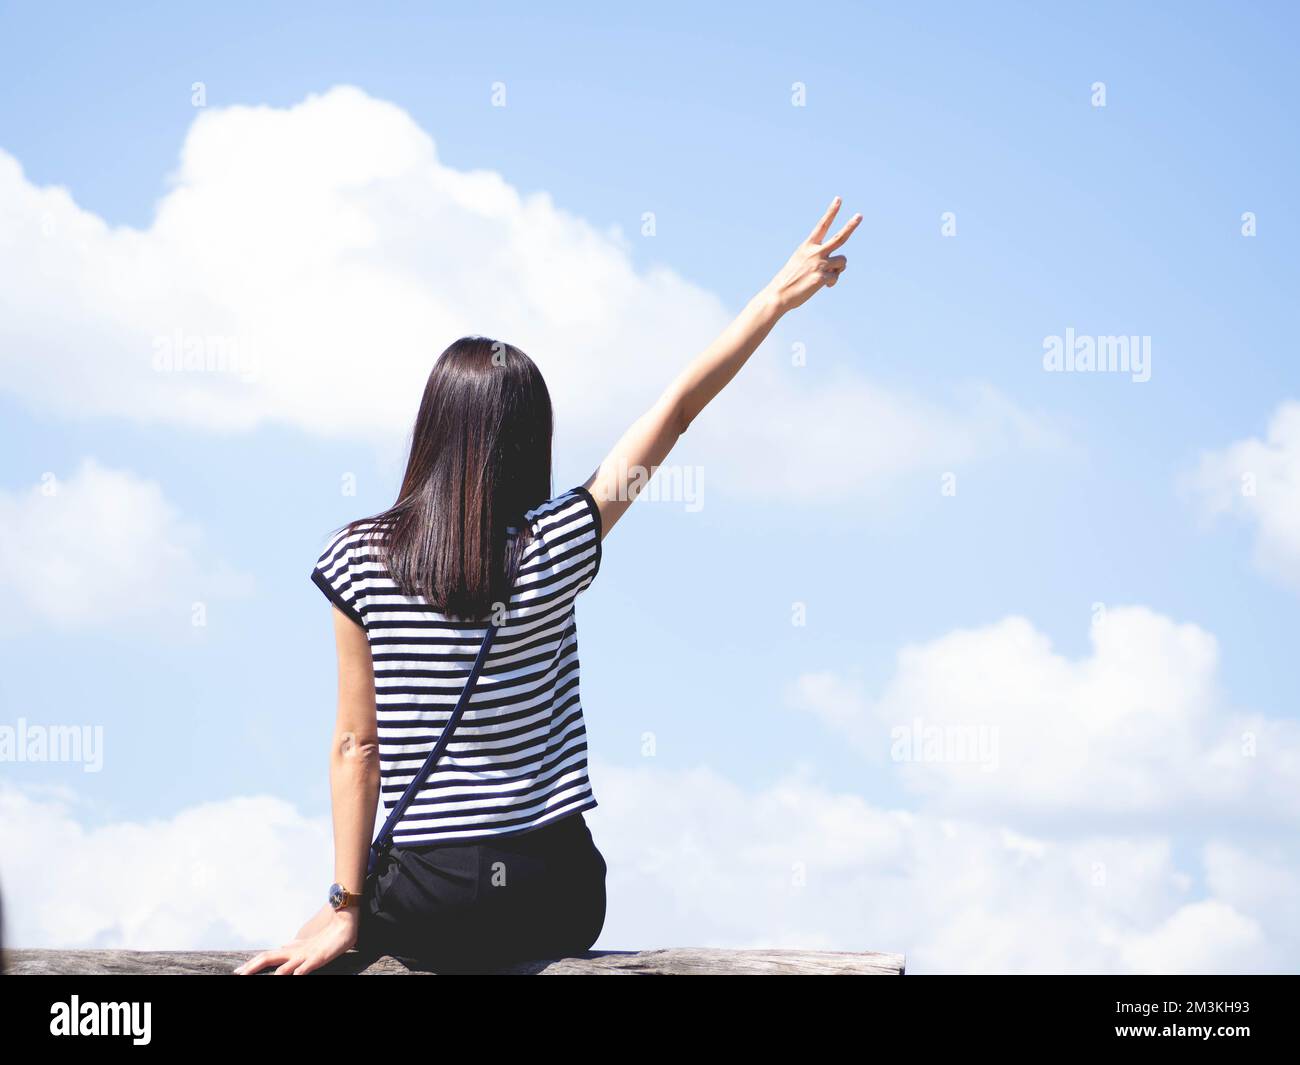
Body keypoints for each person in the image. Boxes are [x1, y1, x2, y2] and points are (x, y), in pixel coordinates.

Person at [235, 198, 861, 974]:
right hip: (547, 891)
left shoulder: (357, 558)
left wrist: (345, 908)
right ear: (528, 440)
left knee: (348, 932)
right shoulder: (559, 543)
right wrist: (772, 299)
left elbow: (356, 746)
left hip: (426, 898)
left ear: (433, 429)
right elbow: (677, 411)